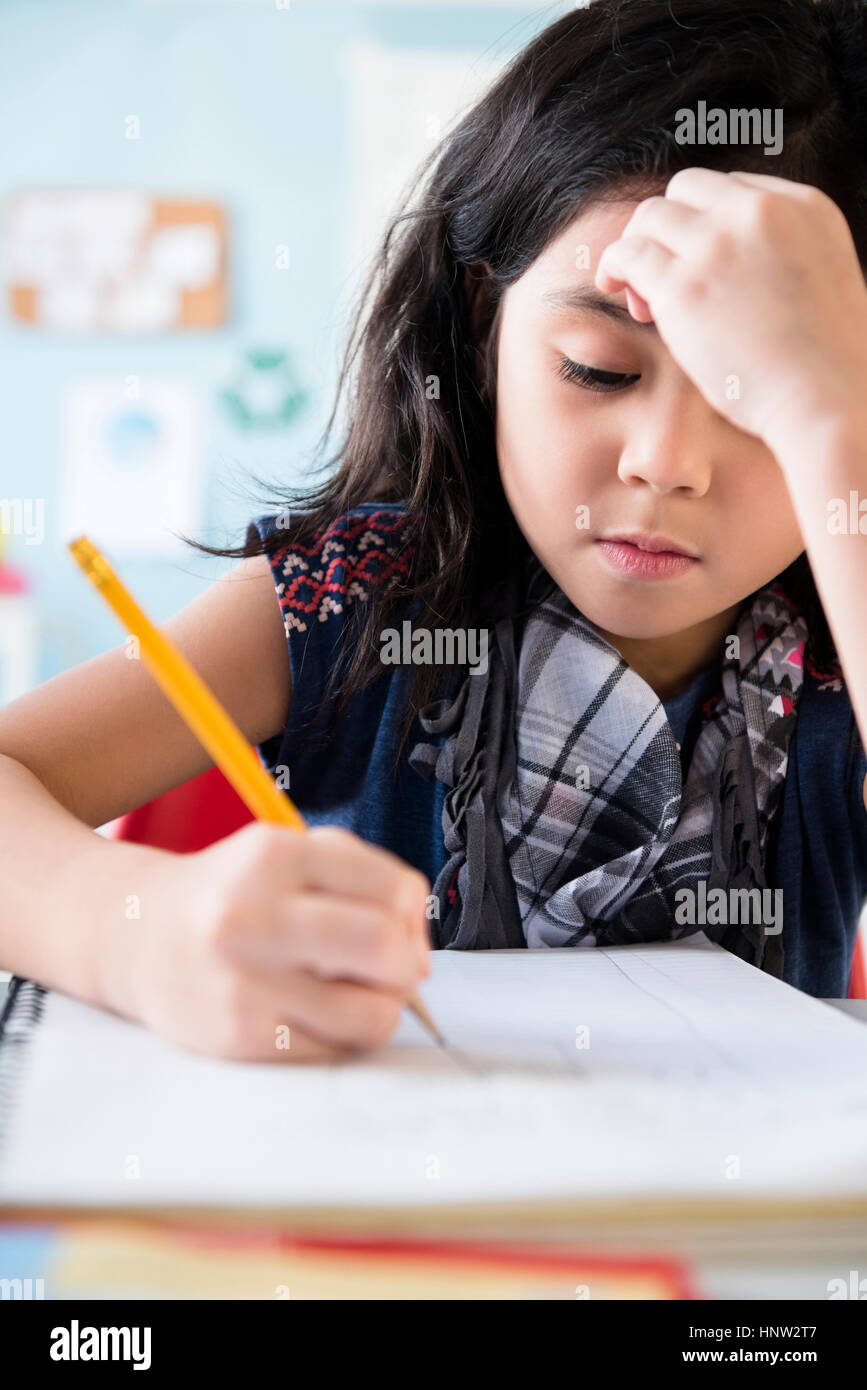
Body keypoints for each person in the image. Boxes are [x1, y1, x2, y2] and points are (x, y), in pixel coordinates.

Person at [2, 0, 866, 1062]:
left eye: (758, 396)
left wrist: (835, 432)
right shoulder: (368, 596)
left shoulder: (834, 664)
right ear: (482, 322)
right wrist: (133, 932)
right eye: (598, 368)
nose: (668, 462)